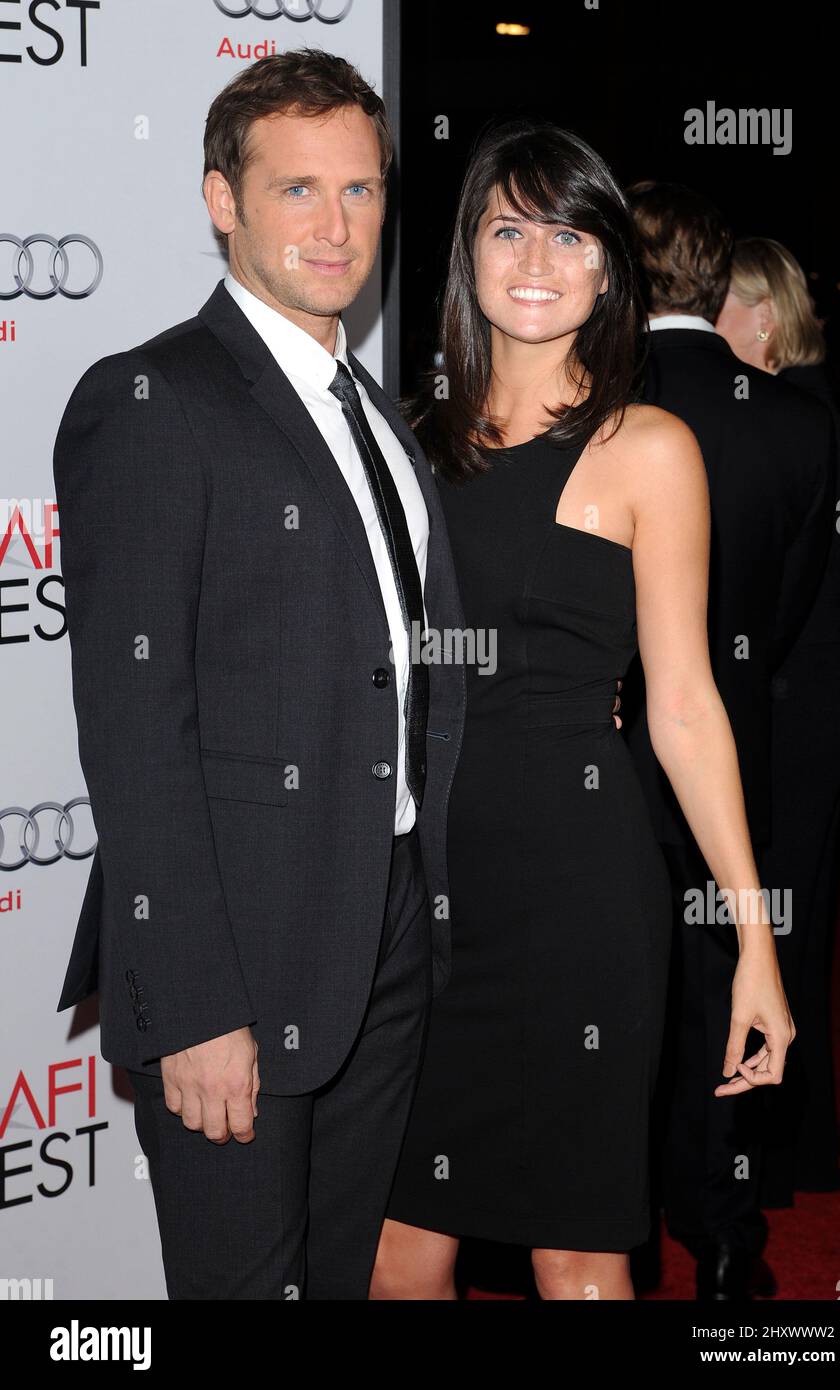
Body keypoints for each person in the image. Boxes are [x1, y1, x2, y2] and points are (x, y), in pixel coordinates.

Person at [53, 50, 466, 1300]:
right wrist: (189, 1004)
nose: (337, 227)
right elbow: (134, 729)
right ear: (222, 201)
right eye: (298, 190)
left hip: (385, 925)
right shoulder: (153, 398)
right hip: (235, 950)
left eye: (362, 190)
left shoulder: (385, 416)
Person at [373, 120, 794, 1302]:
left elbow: (688, 710)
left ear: (610, 265)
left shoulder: (648, 449)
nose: (538, 256)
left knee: (578, 1252)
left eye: (569, 231)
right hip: (422, 897)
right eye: (509, 227)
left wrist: (755, 941)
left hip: (578, 899)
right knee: (395, 1248)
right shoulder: (407, 445)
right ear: (469, 253)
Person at [624, 183, 835, 1298]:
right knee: (726, 1003)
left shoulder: (585, 402)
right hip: (733, 758)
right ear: (717, 285)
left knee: (607, 998)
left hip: (597, 762)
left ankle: (596, 1231)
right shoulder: (803, 426)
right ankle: (721, 1245)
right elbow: (791, 611)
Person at [717, 237, 840, 1204]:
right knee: (783, 926)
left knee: (778, 925)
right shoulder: (798, 414)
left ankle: (769, 1155)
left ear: (765, 316)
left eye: (721, 305)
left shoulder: (794, 417)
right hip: (808, 694)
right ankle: (788, 1146)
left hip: (802, 703)